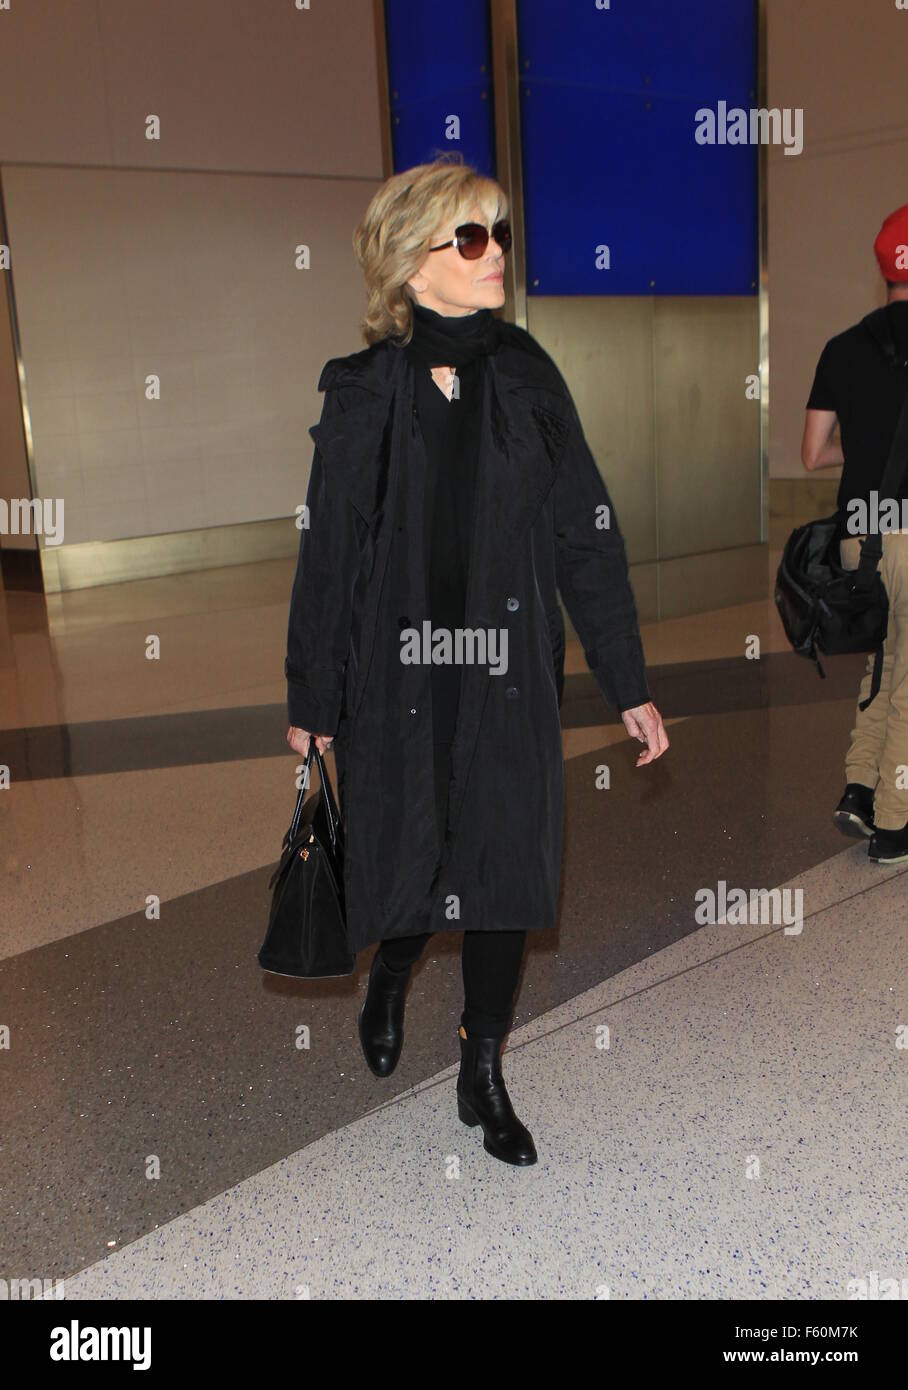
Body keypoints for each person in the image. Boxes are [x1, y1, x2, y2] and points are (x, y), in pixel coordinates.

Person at [284, 156, 669, 1166]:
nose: (493, 252)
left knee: (500, 869)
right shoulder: (364, 392)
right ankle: (391, 972)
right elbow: (327, 554)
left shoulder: (529, 372)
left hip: (505, 676)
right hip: (399, 678)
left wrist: (626, 682)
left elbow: (586, 531)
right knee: (411, 856)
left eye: (498, 231)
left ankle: (480, 1069)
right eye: (468, 237)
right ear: (410, 268)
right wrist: (311, 694)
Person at [802, 200, 908, 864]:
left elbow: (814, 454)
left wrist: (866, 447)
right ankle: (898, 825)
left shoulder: (844, 346)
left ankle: (860, 789)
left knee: (886, 662)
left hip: (859, 536)